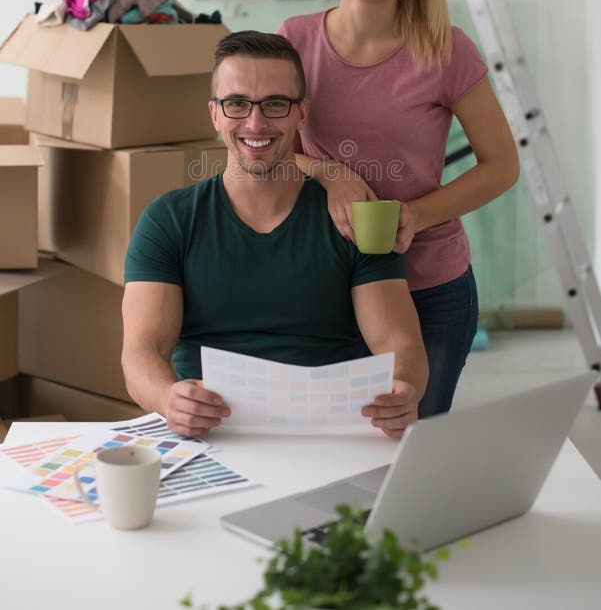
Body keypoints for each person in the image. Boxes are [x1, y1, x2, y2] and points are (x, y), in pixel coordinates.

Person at [277, 0, 519, 417]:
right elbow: (261, 152)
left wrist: (417, 213)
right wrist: (329, 172)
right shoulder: (293, 41)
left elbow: (502, 166)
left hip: (429, 287)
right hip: (324, 283)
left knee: (410, 447)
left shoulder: (446, 50)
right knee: (332, 455)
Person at [121, 31, 428, 439]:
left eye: (275, 104)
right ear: (215, 114)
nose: (255, 122)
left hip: (333, 432)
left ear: (302, 113)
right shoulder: (169, 220)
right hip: (213, 435)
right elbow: (142, 351)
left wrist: (403, 389)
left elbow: (399, 343)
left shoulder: (354, 220)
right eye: (236, 104)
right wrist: (168, 399)